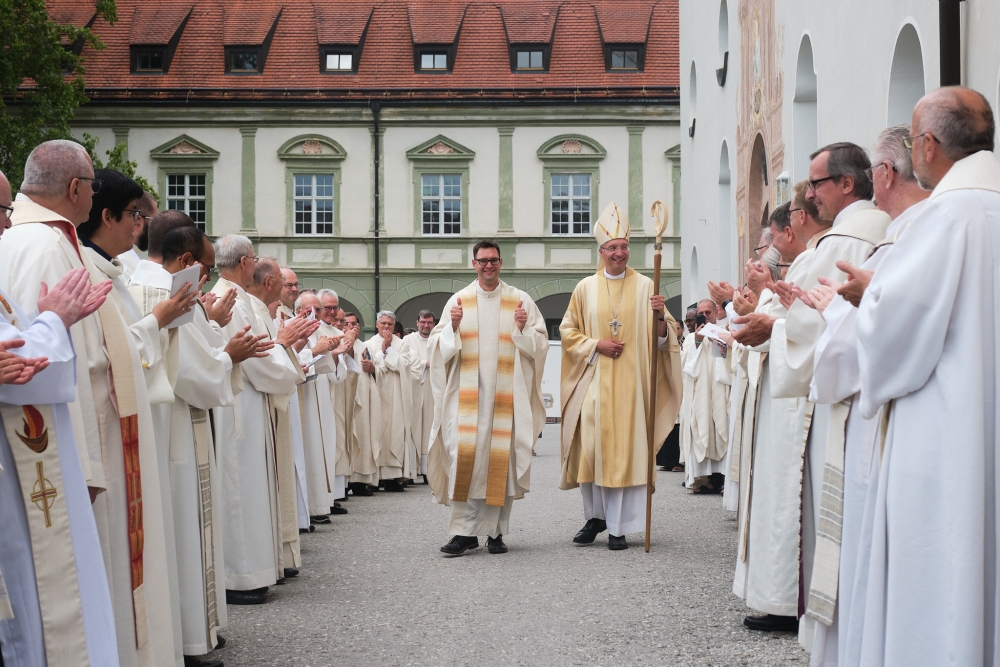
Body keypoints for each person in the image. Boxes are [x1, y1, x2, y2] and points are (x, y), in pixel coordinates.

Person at [1, 144, 185, 665]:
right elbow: (42, 363)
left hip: (90, 440)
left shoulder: (56, 242)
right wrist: (84, 466)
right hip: (69, 450)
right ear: (76, 189)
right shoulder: (39, 246)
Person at [853, 86, 999, 666]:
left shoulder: (943, 216)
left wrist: (870, 297)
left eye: (914, 139)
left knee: (945, 570)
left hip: (944, 436)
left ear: (930, 145)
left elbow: (896, 332)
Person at [763, 143, 891, 656]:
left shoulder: (844, 240)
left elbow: (824, 327)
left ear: (847, 183)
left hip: (841, 401)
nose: (809, 195)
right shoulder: (882, 230)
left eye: (816, 184)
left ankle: (832, 633)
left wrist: (775, 324)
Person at [130, 220, 264, 667]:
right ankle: (188, 640)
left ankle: (186, 635)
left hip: (158, 426)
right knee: (182, 529)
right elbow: (191, 371)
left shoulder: (134, 284)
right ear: (186, 261)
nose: (208, 278)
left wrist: (215, 329)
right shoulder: (168, 294)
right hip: (176, 431)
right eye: (206, 268)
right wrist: (229, 356)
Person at [0, 166, 119, 667]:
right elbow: (27, 365)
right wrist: (55, 319)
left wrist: (48, 319)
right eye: (2, 210)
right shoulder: (42, 245)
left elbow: (17, 353)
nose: (7, 223)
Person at [559, 202, 681, 550]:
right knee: (593, 449)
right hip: (594, 384)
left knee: (626, 454)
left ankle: (619, 527)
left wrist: (660, 318)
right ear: (601, 251)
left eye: (624, 246)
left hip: (632, 387)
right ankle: (596, 517)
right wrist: (596, 344)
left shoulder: (646, 286)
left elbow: (666, 338)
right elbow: (568, 331)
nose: (619, 253)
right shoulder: (585, 288)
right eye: (612, 247)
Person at [425, 241, 546, 555]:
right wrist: (452, 327)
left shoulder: (520, 299)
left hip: (506, 398)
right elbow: (435, 346)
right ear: (474, 264)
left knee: (499, 462)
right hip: (466, 399)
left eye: (493, 260)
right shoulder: (459, 300)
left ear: (501, 262)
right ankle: (464, 534)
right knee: (465, 459)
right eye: (483, 261)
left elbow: (541, 344)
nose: (488, 266)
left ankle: (495, 533)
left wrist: (523, 329)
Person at [210, 236, 312, 605]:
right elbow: (260, 361)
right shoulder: (232, 302)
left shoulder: (241, 300)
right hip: (240, 406)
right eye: (253, 259)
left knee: (251, 488)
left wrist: (282, 345)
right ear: (243, 263)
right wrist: (283, 345)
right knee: (241, 490)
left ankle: (255, 570)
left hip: (251, 402)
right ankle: (240, 576)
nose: (254, 266)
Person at [730, 199, 815, 634]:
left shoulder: (818, 258)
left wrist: (761, 303)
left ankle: (786, 599)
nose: (769, 251)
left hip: (796, 399)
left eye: (771, 240)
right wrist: (756, 306)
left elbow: (798, 326)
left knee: (786, 496)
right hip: (783, 390)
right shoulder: (807, 261)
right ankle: (780, 596)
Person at [294, 289, 353, 523]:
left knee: (322, 451)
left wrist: (335, 354)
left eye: (318, 309)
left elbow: (337, 376)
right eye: (312, 309)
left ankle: (320, 503)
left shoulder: (325, 332)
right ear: (298, 311)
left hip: (322, 398)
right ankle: (308, 508)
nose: (317, 313)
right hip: (303, 397)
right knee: (307, 451)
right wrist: (318, 352)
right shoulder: (294, 329)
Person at [368, 310, 424, 490]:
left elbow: (405, 366)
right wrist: (381, 353)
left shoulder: (402, 344)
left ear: (394, 326)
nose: (386, 327)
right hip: (376, 394)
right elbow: (370, 366)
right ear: (377, 324)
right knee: (376, 432)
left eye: (390, 324)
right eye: (383, 323)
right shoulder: (369, 344)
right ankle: (375, 477)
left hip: (396, 396)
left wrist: (389, 349)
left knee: (396, 434)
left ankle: (393, 477)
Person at [680, 298, 730, 493]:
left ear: (716, 312)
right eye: (701, 313)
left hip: (719, 390)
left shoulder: (724, 332)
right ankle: (709, 479)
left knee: (722, 429)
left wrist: (719, 343)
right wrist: (698, 341)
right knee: (701, 430)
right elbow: (684, 365)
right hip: (699, 392)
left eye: (708, 312)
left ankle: (725, 479)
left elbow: (731, 361)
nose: (705, 316)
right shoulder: (691, 338)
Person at [402, 310, 436, 480]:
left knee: (430, 426)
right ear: (417, 322)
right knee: (413, 426)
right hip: (413, 387)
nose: (426, 325)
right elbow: (404, 361)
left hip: (433, 388)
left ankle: (428, 469)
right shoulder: (407, 341)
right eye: (423, 322)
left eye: (429, 322)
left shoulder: (438, 339)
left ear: (434, 324)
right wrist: (424, 364)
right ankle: (412, 468)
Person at [118, 190, 158, 282]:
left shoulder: (131, 258)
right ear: (138, 222)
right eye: (155, 221)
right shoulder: (122, 264)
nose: (157, 227)